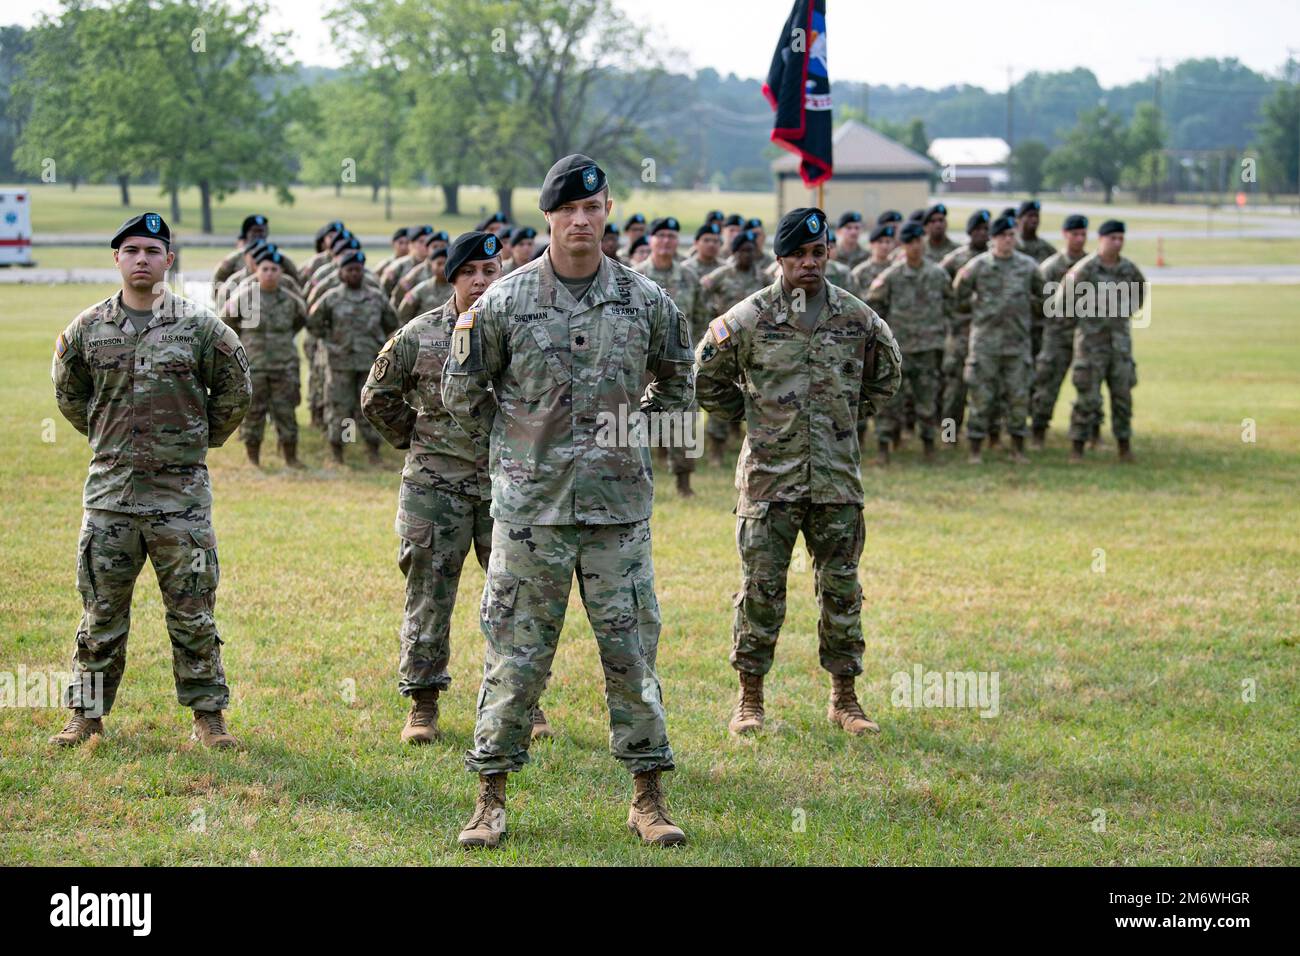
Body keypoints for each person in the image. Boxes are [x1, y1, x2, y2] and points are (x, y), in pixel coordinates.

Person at [442, 154, 693, 849]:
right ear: (547, 217)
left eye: (593, 208)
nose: (581, 221)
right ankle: (489, 799)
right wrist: (521, 444)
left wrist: (632, 429)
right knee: (515, 659)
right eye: (567, 211)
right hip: (532, 518)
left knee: (631, 653)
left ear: (607, 212)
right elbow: (460, 396)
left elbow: (679, 383)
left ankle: (648, 798)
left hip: (617, 516)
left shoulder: (646, 302)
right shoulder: (503, 302)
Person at [694, 207, 901, 738]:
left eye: (818, 252)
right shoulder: (751, 317)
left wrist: (842, 419)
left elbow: (887, 375)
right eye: (798, 255)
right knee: (761, 590)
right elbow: (706, 375)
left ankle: (845, 698)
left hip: (835, 481)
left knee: (842, 590)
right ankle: (750, 699)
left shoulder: (856, 317)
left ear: (828, 253)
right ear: (780, 259)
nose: (809, 263)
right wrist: (753, 420)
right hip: (769, 482)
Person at [49, 212, 251, 749]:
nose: (142, 259)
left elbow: (234, 393)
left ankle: (209, 717)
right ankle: (85, 716)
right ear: (117, 259)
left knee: (193, 612)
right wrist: (111, 441)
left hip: (180, 501)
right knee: (101, 613)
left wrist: (193, 443)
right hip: (111, 499)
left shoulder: (203, 328)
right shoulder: (86, 329)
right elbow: (71, 397)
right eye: (132, 250)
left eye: (152, 251)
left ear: (169, 259)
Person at [362, 231, 557, 745]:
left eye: (490, 271)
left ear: (504, 276)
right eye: (469, 271)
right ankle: (423, 705)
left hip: (508, 488)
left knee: (519, 598)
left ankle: (527, 702)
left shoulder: (525, 334)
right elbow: (376, 396)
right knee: (429, 594)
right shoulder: (419, 335)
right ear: (451, 277)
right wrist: (416, 440)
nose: (480, 281)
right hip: (435, 488)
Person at [953, 214, 1045, 464]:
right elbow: (958, 295)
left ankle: (1018, 448)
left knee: (1018, 398)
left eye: (1011, 235)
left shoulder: (1028, 266)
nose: (1008, 240)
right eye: (1003, 236)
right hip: (985, 344)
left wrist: (1026, 312)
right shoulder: (977, 266)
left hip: (1017, 345)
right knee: (980, 398)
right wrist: (976, 313)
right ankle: (975, 449)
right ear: (993, 239)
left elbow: (1043, 297)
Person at [864, 221, 952, 463]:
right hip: (897, 350)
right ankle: (883, 448)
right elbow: (873, 307)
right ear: (903, 245)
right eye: (910, 242)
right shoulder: (891, 276)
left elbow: (950, 304)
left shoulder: (937, 274)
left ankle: (929, 447)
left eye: (918, 241)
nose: (916, 246)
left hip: (927, 348)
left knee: (928, 400)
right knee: (890, 400)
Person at [1060, 220, 1144, 463]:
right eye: (1112, 238)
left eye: (1121, 238)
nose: (1117, 243)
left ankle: (1124, 447)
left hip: (1119, 345)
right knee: (1087, 398)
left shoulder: (1128, 269)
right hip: (1091, 346)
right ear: (1101, 239)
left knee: (1122, 397)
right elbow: (1063, 300)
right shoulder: (1084, 269)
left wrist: (1124, 311)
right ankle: (1077, 448)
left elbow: (1140, 293)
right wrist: (1084, 321)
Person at [306, 249, 400, 465]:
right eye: (350, 270)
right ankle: (338, 451)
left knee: (369, 406)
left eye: (358, 270)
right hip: (340, 363)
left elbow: (391, 323)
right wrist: (331, 343)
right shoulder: (331, 298)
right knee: (340, 406)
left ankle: (372, 451)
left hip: (369, 362)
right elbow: (313, 324)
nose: (354, 274)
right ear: (341, 273)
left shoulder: (376, 297)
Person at [633, 216, 705, 497]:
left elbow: (700, 317)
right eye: (660, 235)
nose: (666, 241)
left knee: (686, 417)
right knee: (631, 419)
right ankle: (635, 478)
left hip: (678, 360)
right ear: (651, 240)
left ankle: (684, 481)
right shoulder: (634, 276)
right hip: (641, 360)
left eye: (672, 236)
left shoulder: (689, 277)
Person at [222, 244, 307, 468]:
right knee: (253, 411)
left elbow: (300, 321)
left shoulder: (291, 299)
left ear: (281, 273)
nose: (270, 273)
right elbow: (227, 322)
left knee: (286, 410)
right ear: (257, 271)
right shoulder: (243, 297)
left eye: (274, 269)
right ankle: (253, 459)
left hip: (284, 364)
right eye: (265, 269)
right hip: (254, 364)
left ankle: (291, 457)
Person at [698, 230, 766, 466]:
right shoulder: (722, 275)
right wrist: (712, 318)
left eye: (751, 251)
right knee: (722, 388)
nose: (747, 255)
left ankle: (749, 445)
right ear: (734, 253)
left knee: (753, 392)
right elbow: (702, 291)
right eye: (743, 251)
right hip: (726, 343)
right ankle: (716, 449)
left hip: (755, 343)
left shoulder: (762, 277)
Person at [1030, 214, 1090, 447]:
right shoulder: (1050, 268)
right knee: (1046, 386)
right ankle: (1038, 432)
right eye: (1075, 234)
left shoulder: (1091, 265)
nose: (1079, 239)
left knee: (1088, 386)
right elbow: (1036, 302)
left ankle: (1089, 433)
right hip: (1056, 336)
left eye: (1083, 234)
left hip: (1086, 337)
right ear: (1065, 235)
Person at [937, 210, 992, 440]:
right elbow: (939, 287)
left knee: (987, 386)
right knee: (954, 389)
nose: (982, 234)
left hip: (988, 333)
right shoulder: (955, 259)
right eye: (977, 230)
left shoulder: (993, 259)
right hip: (959, 333)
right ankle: (950, 434)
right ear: (970, 233)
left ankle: (987, 433)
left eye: (985, 229)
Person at [1016, 200, 1057, 264]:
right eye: (1030, 216)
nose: (1034, 220)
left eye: (1036, 216)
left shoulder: (1046, 247)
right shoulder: (1011, 245)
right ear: (1019, 219)